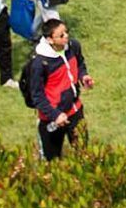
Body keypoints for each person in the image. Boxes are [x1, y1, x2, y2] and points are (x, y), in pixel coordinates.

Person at [21, 16, 90, 161]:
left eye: (66, 32)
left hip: (75, 111)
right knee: (52, 161)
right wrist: (55, 115)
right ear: (50, 40)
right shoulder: (39, 64)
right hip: (51, 119)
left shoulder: (73, 47)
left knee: (84, 155)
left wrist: (83, 76)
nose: (66, 37)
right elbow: (37, 96)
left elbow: (80, 63)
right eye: (61, 35)